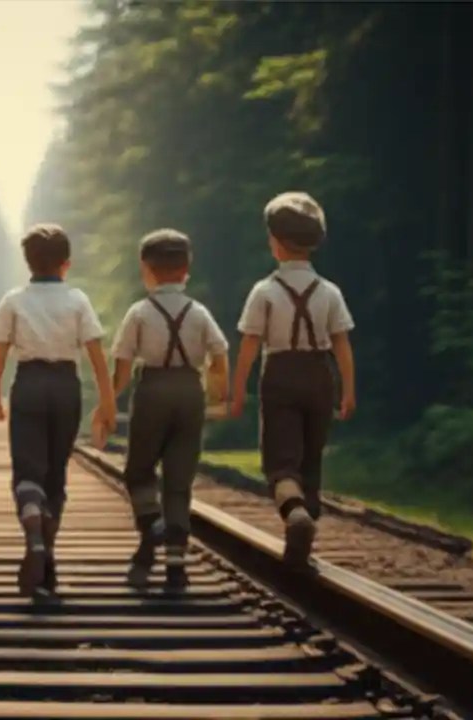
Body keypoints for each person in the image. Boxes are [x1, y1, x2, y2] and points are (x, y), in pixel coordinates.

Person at [0, 223, 117, 602]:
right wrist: (106, 402)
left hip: (27, 385)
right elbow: (96, 354)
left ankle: (31, 524)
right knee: (56, 474)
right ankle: (49, 558)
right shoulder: (78, 300)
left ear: (27, 262)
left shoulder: (12, 300)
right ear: (66, 264)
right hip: (65, 387)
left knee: (27, 470)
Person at [230, 192, 356, 569]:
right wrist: (348, 390)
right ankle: (307, 521)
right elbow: (342, 346)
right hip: (321, 376)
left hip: (280, 374)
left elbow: (249, 348)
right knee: (311, 458)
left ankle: (295, 516)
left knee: (280, 463)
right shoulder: (330, 291)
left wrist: (237, 393)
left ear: (277, 244)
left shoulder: (264, 291)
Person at [110, 229, 230, 592]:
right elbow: (219, 357)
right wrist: (216, 397)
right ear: (185, 270)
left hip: (152, 391)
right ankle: (176, 569)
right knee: (179, 480)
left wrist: (106, 404)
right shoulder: (200, 313)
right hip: (189, 392)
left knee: (139, 470)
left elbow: (123, 364)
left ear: (146, 270)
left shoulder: (139, 313)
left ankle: (151, 527)